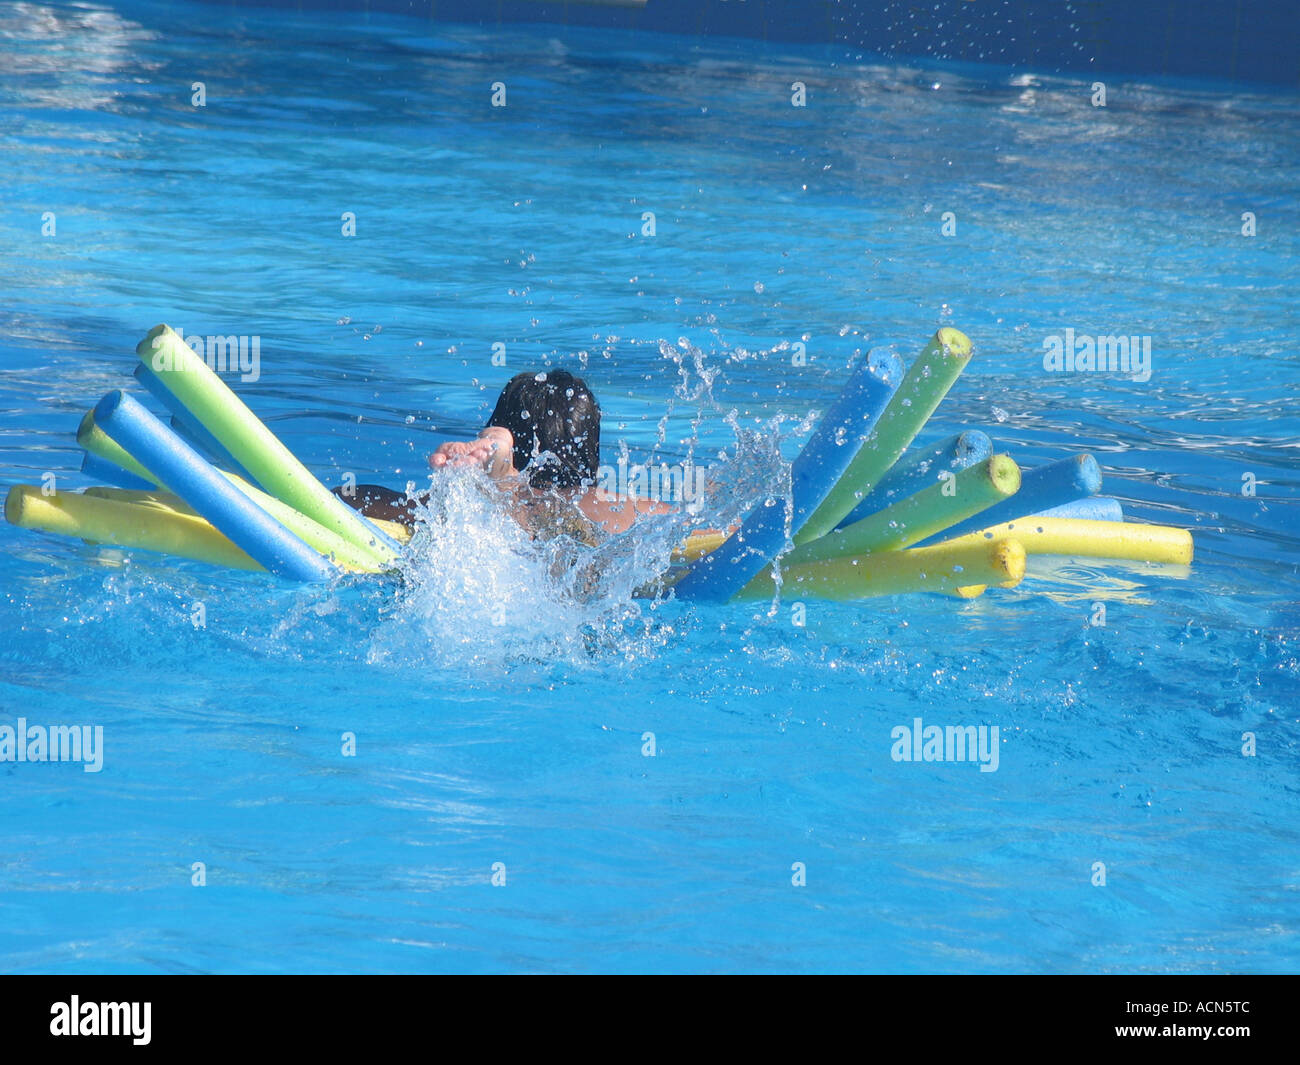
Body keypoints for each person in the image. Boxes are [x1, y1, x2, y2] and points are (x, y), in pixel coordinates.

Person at [335, 370, 671, 541]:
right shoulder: (612, 508)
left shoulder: (462, 513)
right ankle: (500, 464)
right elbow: (709, 531)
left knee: (497, 495)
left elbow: (343, 501)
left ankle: (499, 460)